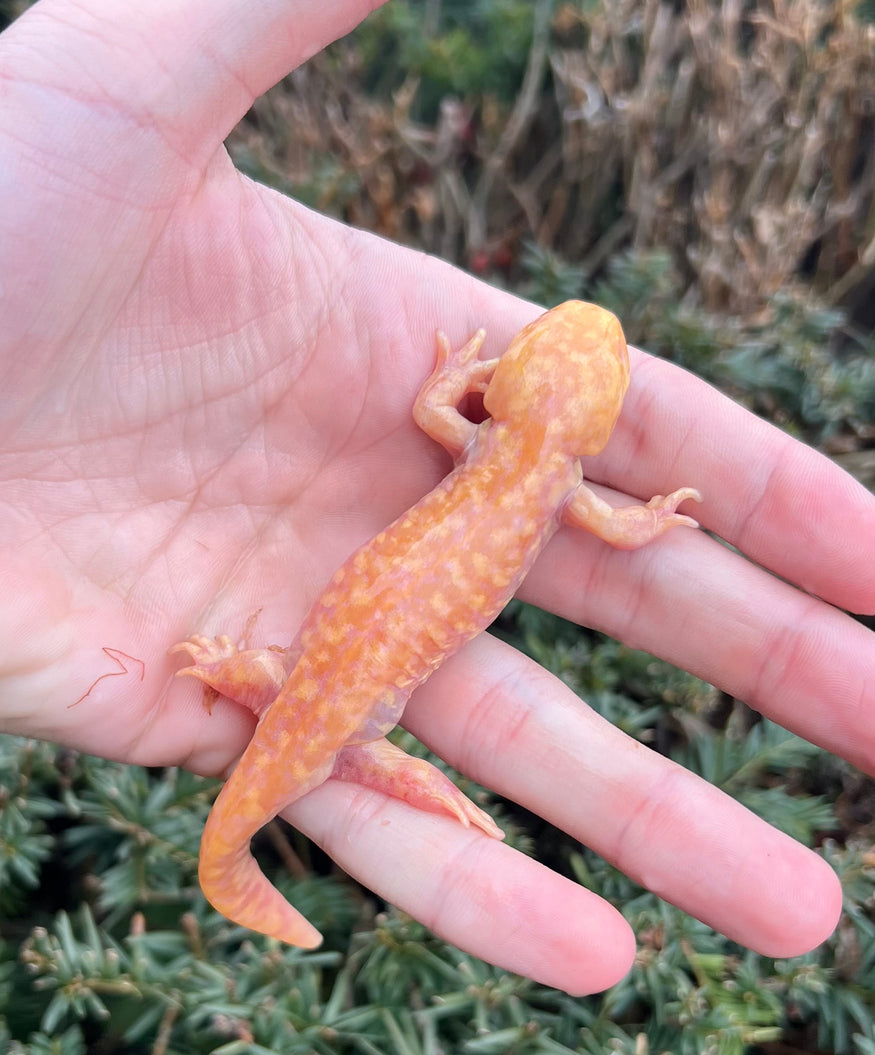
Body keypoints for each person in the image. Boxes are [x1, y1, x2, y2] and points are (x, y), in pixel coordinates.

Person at [0, 0, 869, 996]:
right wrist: (653, 517)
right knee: (351, 747)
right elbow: (617, 529)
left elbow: (430, 408)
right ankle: (311, 820)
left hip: (300, 677)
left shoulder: (494, 443)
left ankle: (258, 783)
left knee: (315, 724)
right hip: (313, 693)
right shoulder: (559, 481)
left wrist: (457, 380)